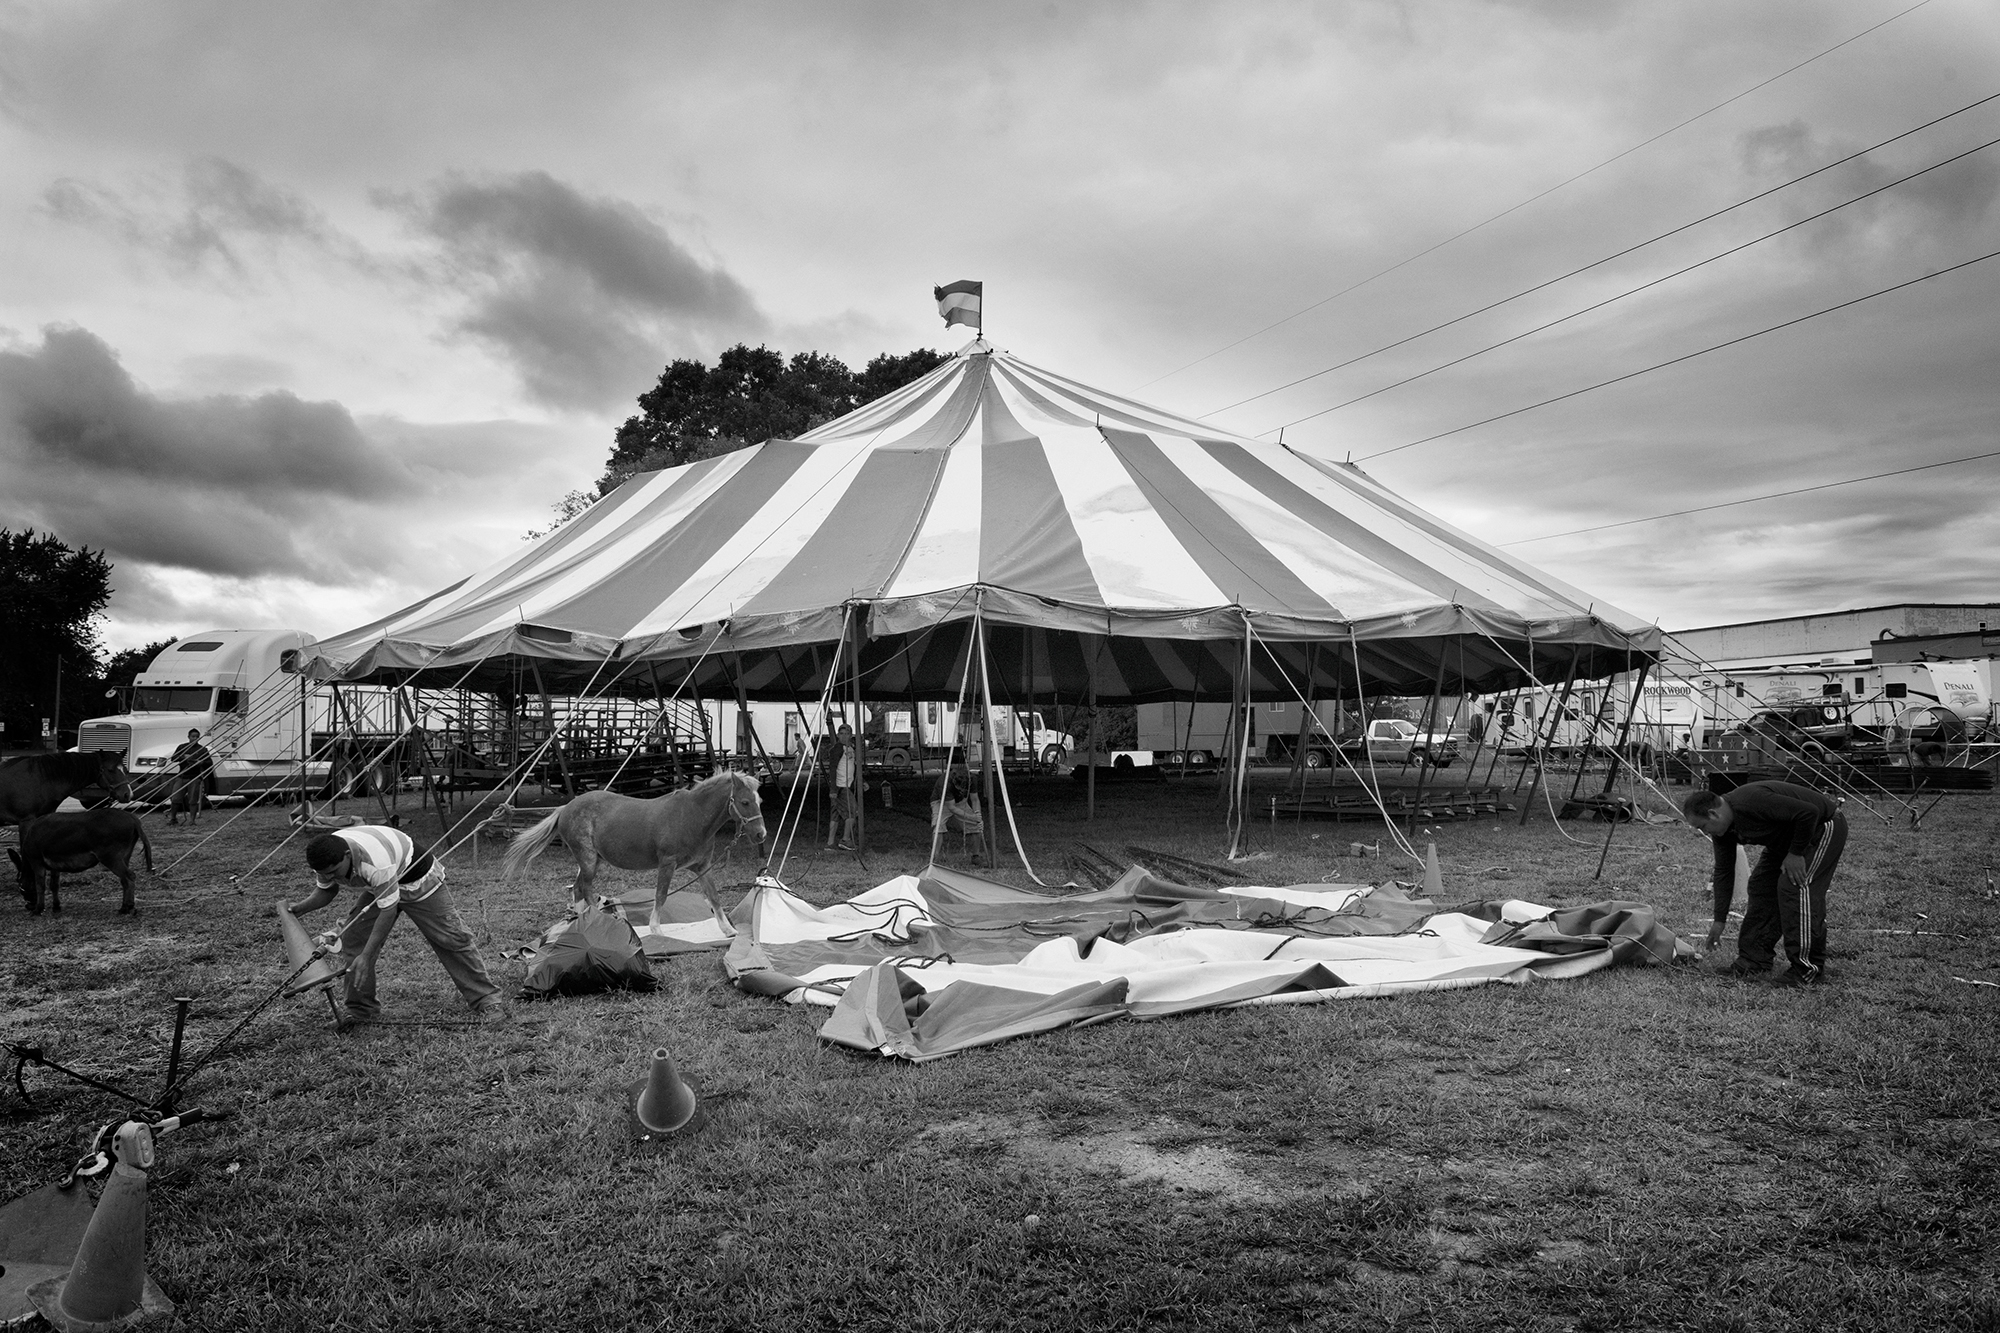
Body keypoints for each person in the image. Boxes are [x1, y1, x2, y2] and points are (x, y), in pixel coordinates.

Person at [287, 825, 503, 1028]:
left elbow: (387, 911)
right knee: (354, 942)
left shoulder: (375, 862)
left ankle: (486, 999)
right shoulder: (325, 859)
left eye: (334, 871)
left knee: (451, 937)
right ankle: (362, 1010)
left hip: (418, 879)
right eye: (324, 873)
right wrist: (299, 909)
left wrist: (367, 955)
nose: (330, 877)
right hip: (380, 887)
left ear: (347, 855)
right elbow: (327, 890)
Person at [1682, 781, 1847, 986]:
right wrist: (1719, 920)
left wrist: (1795, 854)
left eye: (1703, 827)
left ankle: (1807, 970)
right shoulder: (1723, 831)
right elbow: (1724, 871)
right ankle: (1753, 959)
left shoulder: (1750, 802)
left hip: (1821, 827)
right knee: (1761, 886)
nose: (1706, 833)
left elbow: (1809, 812)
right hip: (1785, 840)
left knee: (1794, 888)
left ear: (1713, 814)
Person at [167, 728, 213, 826]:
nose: (195, 738)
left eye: (197, 737)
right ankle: (173, 818)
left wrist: (201, 762)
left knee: (193, 800)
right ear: (188, 737)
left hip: (195, 777)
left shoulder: (202, 749)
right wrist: (183, 757)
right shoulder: (182, 747)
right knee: (175, 798)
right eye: (193, 736)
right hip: (182, 776)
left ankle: (192, 820)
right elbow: (173, 758)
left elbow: (209, 762)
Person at [825, 725, 858, 851]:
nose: (844, 736)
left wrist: (860, 781)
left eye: (847, 733)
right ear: (838, 735)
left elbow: (852, 767)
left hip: (846, 784)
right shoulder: (837, 749)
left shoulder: (850, 748)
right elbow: (832, 769)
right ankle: (845, 840)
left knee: (835, 814)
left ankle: (830, 843)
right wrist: (833, 789)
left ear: (850, 735)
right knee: (853, 811)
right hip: (840, 786)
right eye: (841, 733)